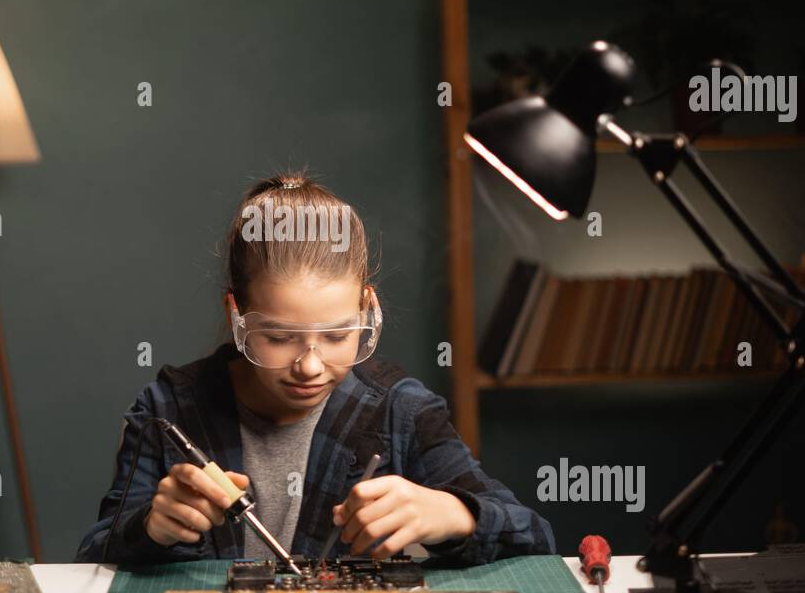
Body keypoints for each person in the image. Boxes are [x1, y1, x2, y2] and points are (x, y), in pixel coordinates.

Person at [73, 171, 555, 566]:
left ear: (366, 308)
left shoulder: (401, 411)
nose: (310, 366)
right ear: (236, 315)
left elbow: (535, 537)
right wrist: (150, 528)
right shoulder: (167, 409)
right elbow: (94, 555)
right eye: (280, 338)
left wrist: (454, 515)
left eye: (338, 336)